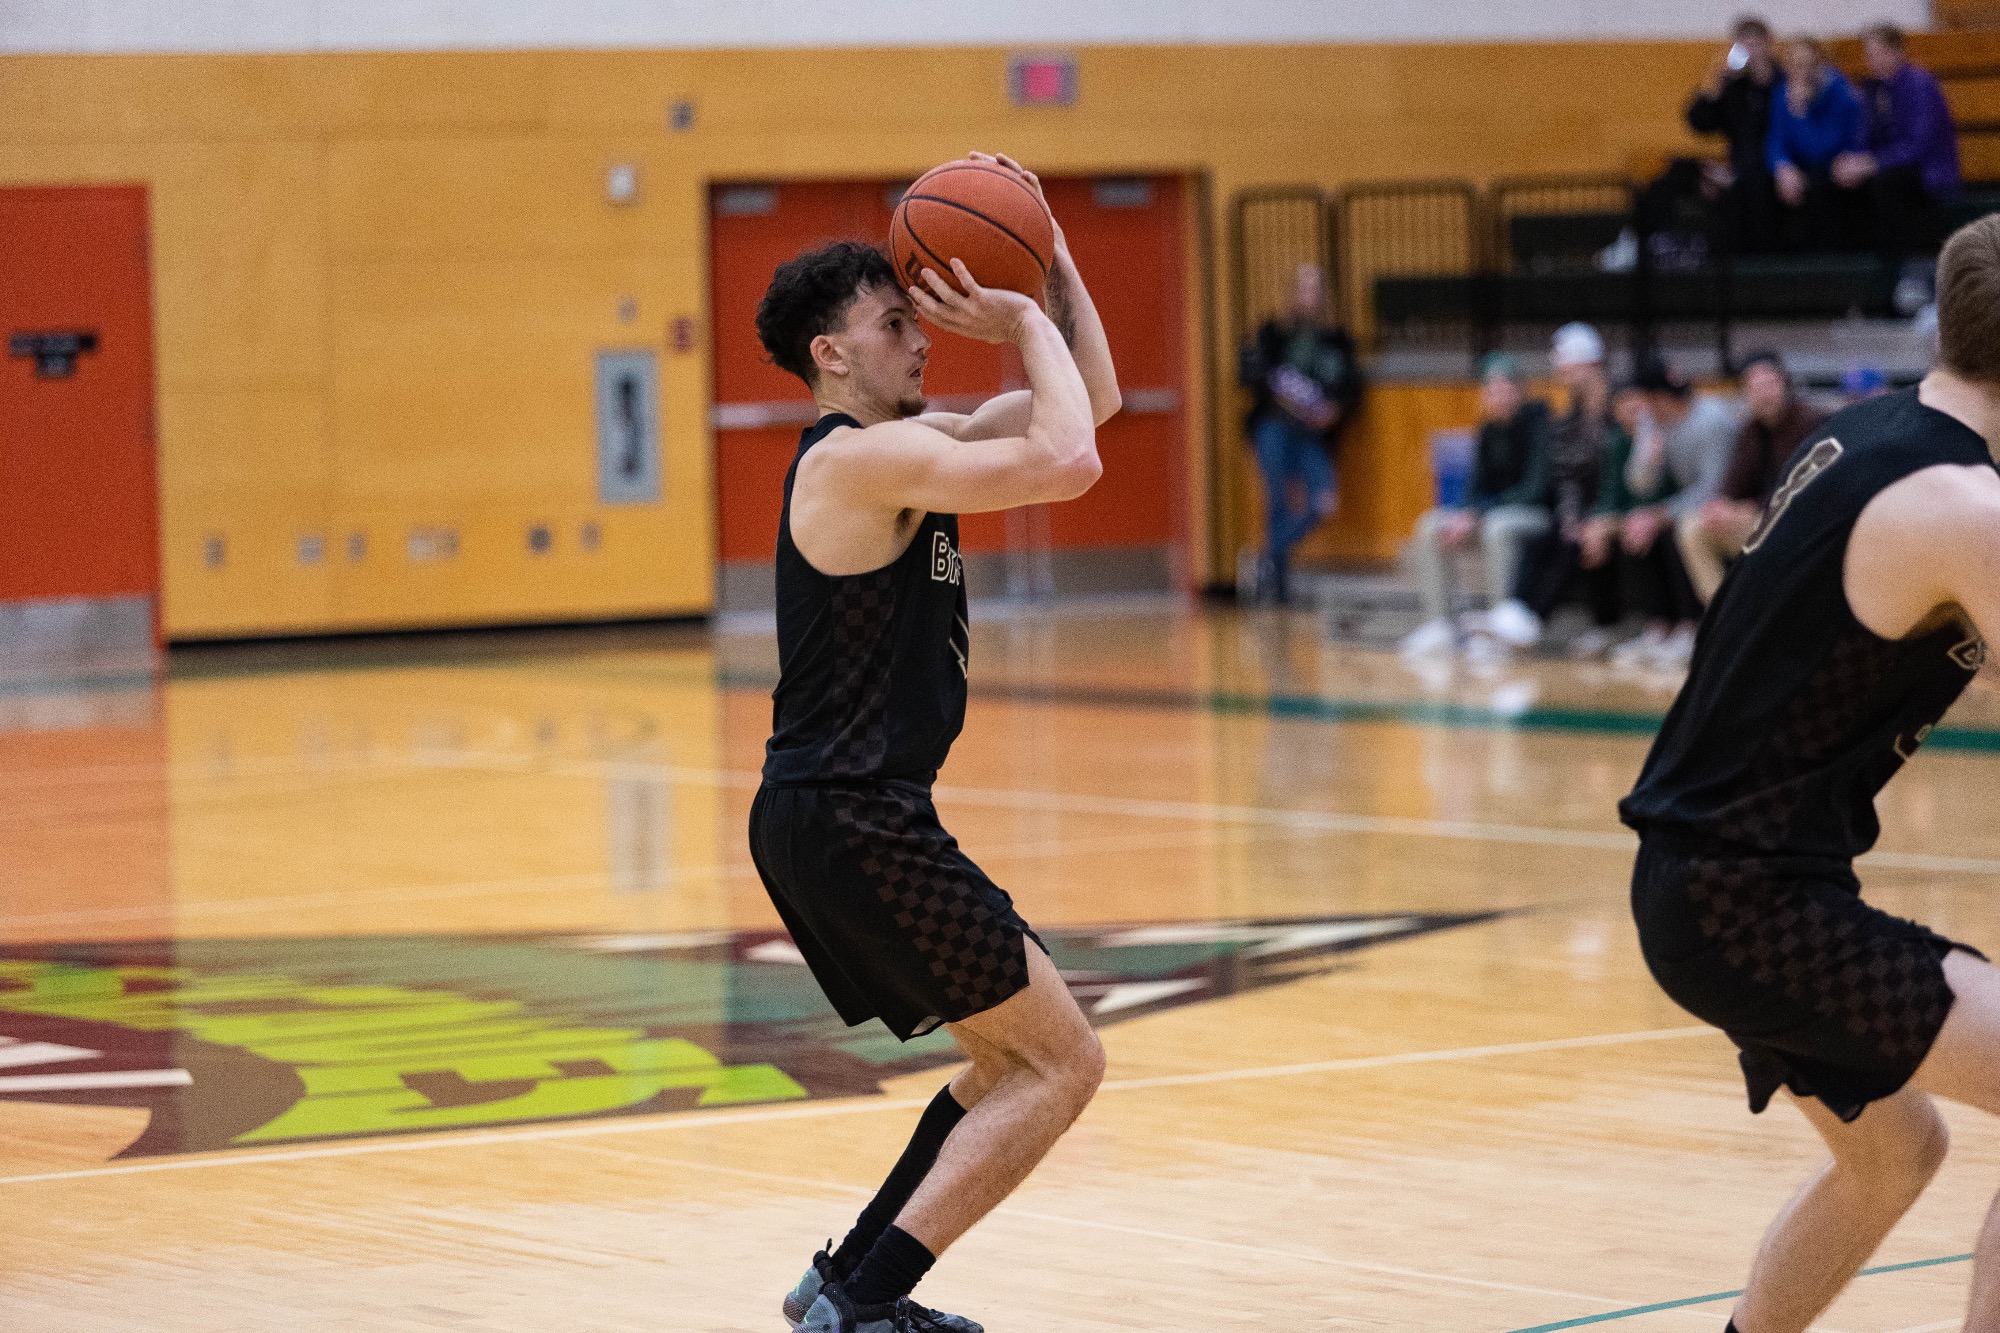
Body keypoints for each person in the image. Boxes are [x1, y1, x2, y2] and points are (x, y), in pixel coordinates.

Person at [748, 153, 1120, 1333]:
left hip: (845, 815)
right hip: (853, 816)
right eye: (894, 320)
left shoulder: (915, 453)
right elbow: (1070, 462)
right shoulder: (863, 461)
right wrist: (1016, 312)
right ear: (831, 355)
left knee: (1008, 1061)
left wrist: (1051, 260)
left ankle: (836, 1280)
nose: (920, 335)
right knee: (1063, 1063)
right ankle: (861, 1305)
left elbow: (1088, 405)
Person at [1619, 215, 2000, 1333]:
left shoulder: (1867, 433)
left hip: (1714, 884)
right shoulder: (1962, 508)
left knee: (1894, 1154)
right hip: (1749, 901)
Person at [1483, 323, 1624, 657]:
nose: (1561, 375)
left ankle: (1543, 622)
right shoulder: (1569, 417)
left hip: (1618, 508)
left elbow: (1621, 472)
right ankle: (1517, 614)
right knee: (1549, 537)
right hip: (1584, 511)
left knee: (1580, 540)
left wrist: (1598, 520)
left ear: (1590, 364)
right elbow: (1567, 478)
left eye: (1567, 367)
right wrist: (1572, 515)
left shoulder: (1619, 408)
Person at [1401, 353, 1553, 657]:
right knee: (1430, 525)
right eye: (1491, 388)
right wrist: (1465, 515)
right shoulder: (1488, 430)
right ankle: (1440, 624)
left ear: (1520, 389)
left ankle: (1501, 627)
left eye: (1504, 387)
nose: (1497, 395)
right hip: (1494, 513)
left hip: (1537, 515)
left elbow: (1535, 489)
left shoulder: (1540, 424)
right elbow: (1474, 486)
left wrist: (1481, 514)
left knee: (1498, 528)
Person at [1596, 357, 1745, 668]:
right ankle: (1660, 627)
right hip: (1684, 506)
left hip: (1726, 505)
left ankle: (1691, 628)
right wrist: (1648, 454)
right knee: (1636, 528)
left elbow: (1713, 488)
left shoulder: (1712, 420)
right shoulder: (1651, 422)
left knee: (1676, 528)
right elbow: (1639, 485)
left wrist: (1660, 514)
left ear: (1659, 397)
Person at [1239, 262, 1365, 603]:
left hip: (1313, 435)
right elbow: (1252, 374)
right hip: (1275, 426)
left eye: (1316, 287)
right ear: (1293, 293)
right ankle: (1278, 588)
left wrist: (1333, 412)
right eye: (1303, 287)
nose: (1309, 295)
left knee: (1323, 503)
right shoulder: (1274, 333)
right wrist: (1288, 396)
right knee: (1277, 500)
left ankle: (1264, 558)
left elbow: (1352, 391)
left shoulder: (1337, 340)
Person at [1678, 350, 1827, 603]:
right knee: (1693, 527)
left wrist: (1748, 508)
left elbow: (1806, 486)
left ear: (1785, 385)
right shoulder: (1751, 430)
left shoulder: (1811, 423)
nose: (1764, 394)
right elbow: (1735, 479)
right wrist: (1722, 503)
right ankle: (1721, 616)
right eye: (1755, 387)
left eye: (1769, 384)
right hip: (1763, 518)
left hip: (1803, 520)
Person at [1834, 24, 1963, 265]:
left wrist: (1873, 162)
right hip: (1892, 169)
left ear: (1899, 52)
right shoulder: (1873, 89)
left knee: (1886, 181)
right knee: (1842, 180)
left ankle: (1895, 266)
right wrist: (1852, 161)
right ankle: (1851, 270)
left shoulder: (1920, 84)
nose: (1875, 61)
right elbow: (1863, 137)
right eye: (1871, 55)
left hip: (1928, 173)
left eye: (1882, 53)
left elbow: (1919, 146)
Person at [1686, 16, 1782, 254]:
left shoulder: (1784, 84)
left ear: (1768, 45)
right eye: (1743, 46)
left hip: (1771, 167)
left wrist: (1737, 174)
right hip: (1738, 168)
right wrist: (1713, 86)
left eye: (1756, 45)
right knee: (1680, 174)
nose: (1751, 53)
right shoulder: (1733, 87)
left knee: (1749, 190)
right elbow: (1700, 124)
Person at [1767, 37, 1866, 252]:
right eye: (1795, 66)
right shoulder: (1781, 94)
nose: (1800, 73)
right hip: (1802, 165)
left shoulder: (1840, 92)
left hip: (1836, 165)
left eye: (1807, 65)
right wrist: (1782, 166)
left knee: (1817, 188)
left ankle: (1827, 267)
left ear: (1819, 65)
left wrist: (1802, 113)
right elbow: (1775, 140)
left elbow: (1822, 148)